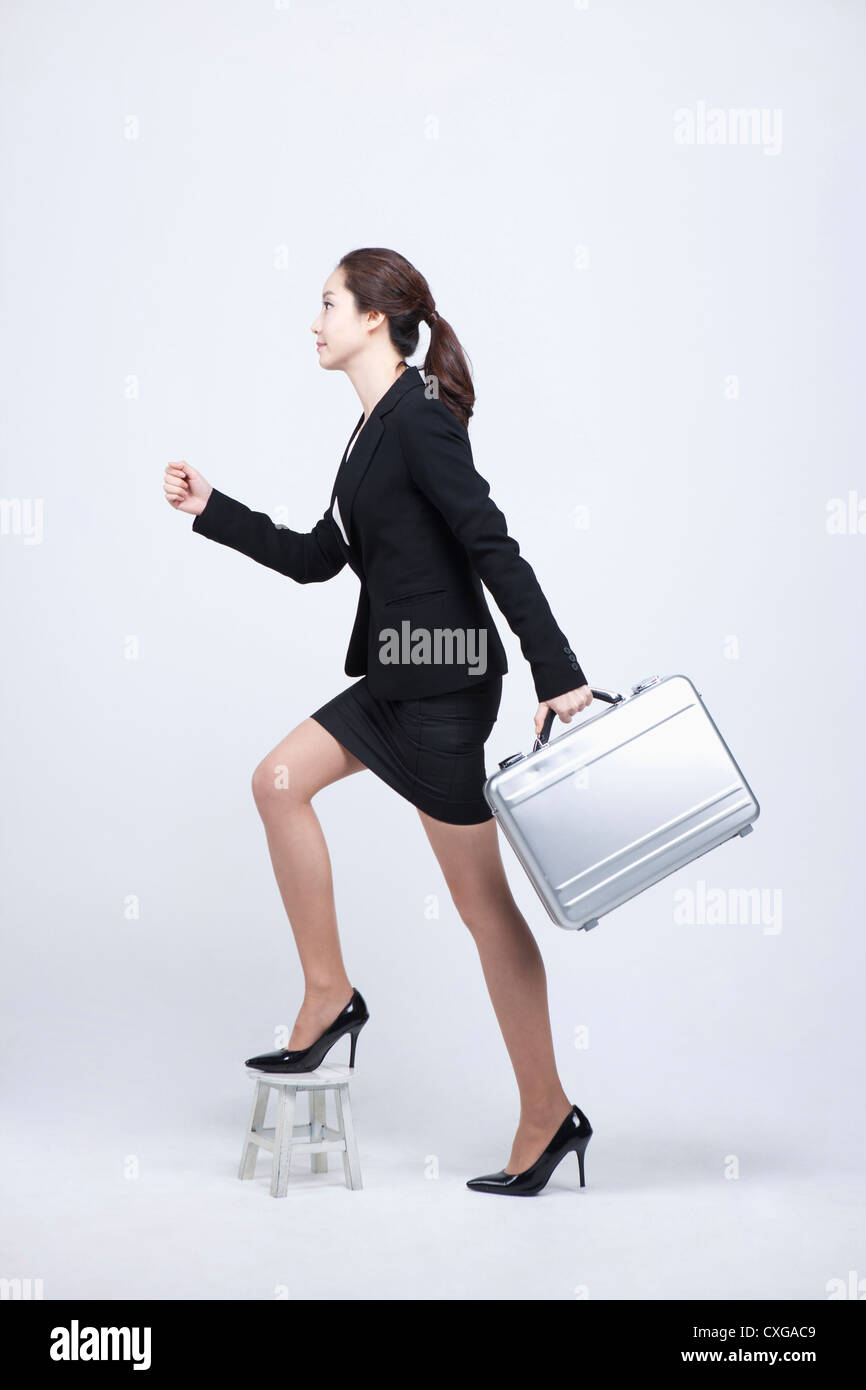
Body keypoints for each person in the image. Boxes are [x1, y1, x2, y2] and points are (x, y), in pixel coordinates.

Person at [163, 247, 594, 1196]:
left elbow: (492, 542)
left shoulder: (422, 424)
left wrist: (557, 670)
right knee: (278, 782)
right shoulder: (369, 430)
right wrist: (212, 511)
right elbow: (322, 556)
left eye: (326, 304)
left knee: (484, 910)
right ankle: (330, 995)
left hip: (443, 688)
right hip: (400, 675)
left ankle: (546, 1113)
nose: (313, 322)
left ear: (372, 320)